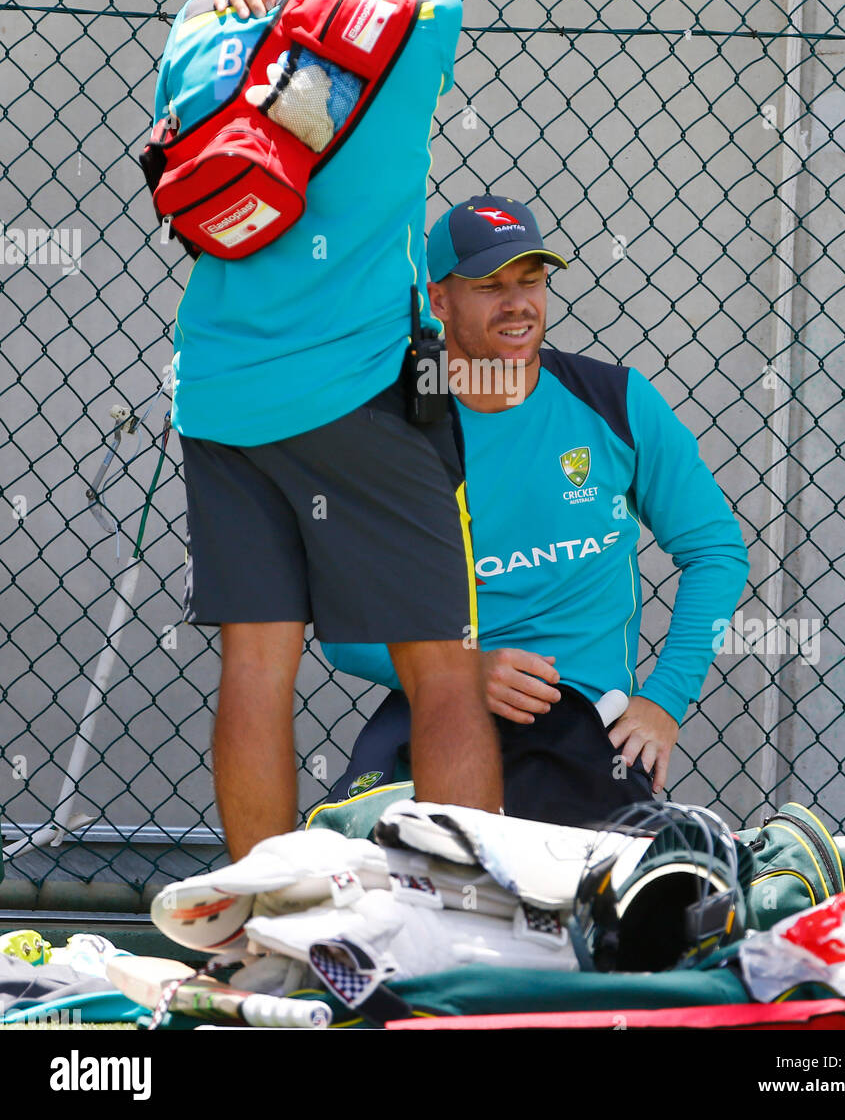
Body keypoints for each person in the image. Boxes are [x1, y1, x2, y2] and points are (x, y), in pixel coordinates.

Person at [151, 0, 502, 858]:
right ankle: (465, 932)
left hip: (219, 387)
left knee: (257, 664)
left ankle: (262, 932)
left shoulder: (199, 24)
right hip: (365, 390)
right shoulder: (423, 11)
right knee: (438, 663)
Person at [313, 195, 752, 827]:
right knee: (358, 859)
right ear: (439, 302)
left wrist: (664, 700)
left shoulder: (614, 401)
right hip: (437, 696)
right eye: (490, 286)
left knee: (572, 883)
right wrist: (465, 670)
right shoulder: (392, 425)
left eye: (532, 280)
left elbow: (715, 551)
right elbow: (343, 629)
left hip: (575, 714)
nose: (518, 304)